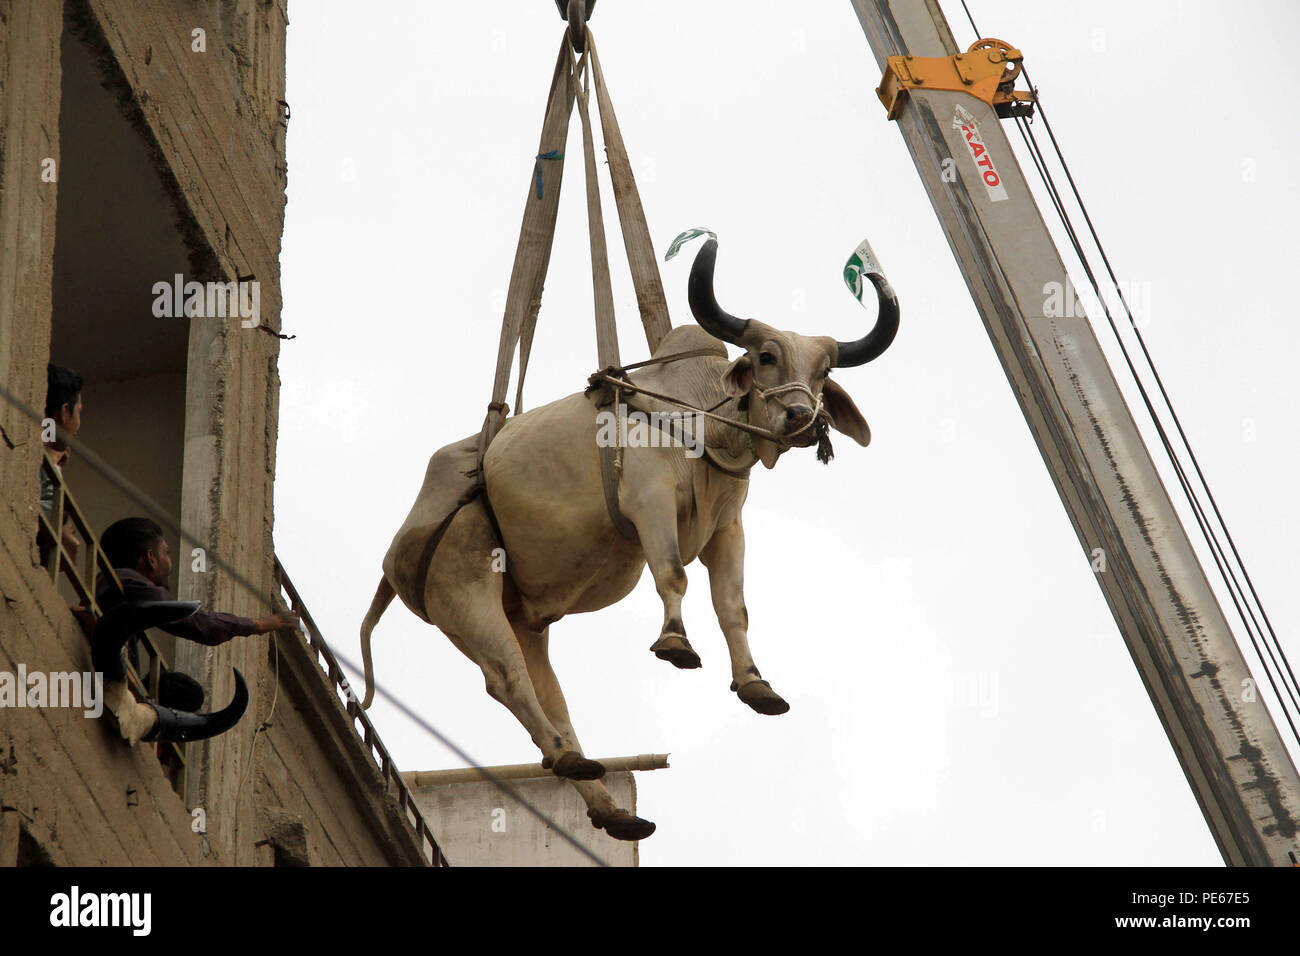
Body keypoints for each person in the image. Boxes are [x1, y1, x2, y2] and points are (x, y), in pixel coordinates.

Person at [96, 517, 298, 709]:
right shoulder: (130, 582)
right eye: (166, 553)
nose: (170, 563)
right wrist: (258, 624)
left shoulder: (111, 583)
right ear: (151, 559)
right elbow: (198, 623)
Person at [40, 364, 84, 561]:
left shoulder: (45, 450)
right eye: (79, 412)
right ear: (65, 412)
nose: (78, 424)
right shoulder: (37, 457)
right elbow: (47, 515)